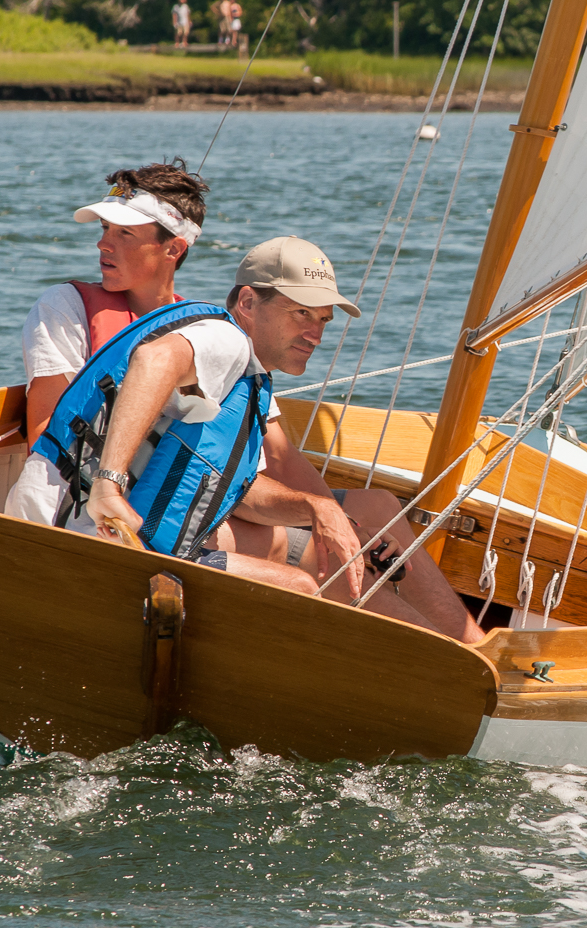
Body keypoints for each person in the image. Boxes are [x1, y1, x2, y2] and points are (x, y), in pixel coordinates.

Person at [66, 236, 482, 643]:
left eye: (323, 320)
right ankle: (444, 661)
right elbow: (153, 358)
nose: (314, 334)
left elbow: (235, 488)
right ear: (247, 303)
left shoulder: (249, 376)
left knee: (330, 553)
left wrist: (330, 516)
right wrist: (108, 483)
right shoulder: (226, 341)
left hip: (149, 534)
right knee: (301, 582)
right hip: (105, 540)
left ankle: (452, 652)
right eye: (301, 313)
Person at [5, 160, 207, 525]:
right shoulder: (66, 307)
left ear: (173, 250)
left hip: (168, 514)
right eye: (104, 228)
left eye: (124, 233)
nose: (103, 243)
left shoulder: (202, 335)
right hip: (72, 511)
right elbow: (45, 433)